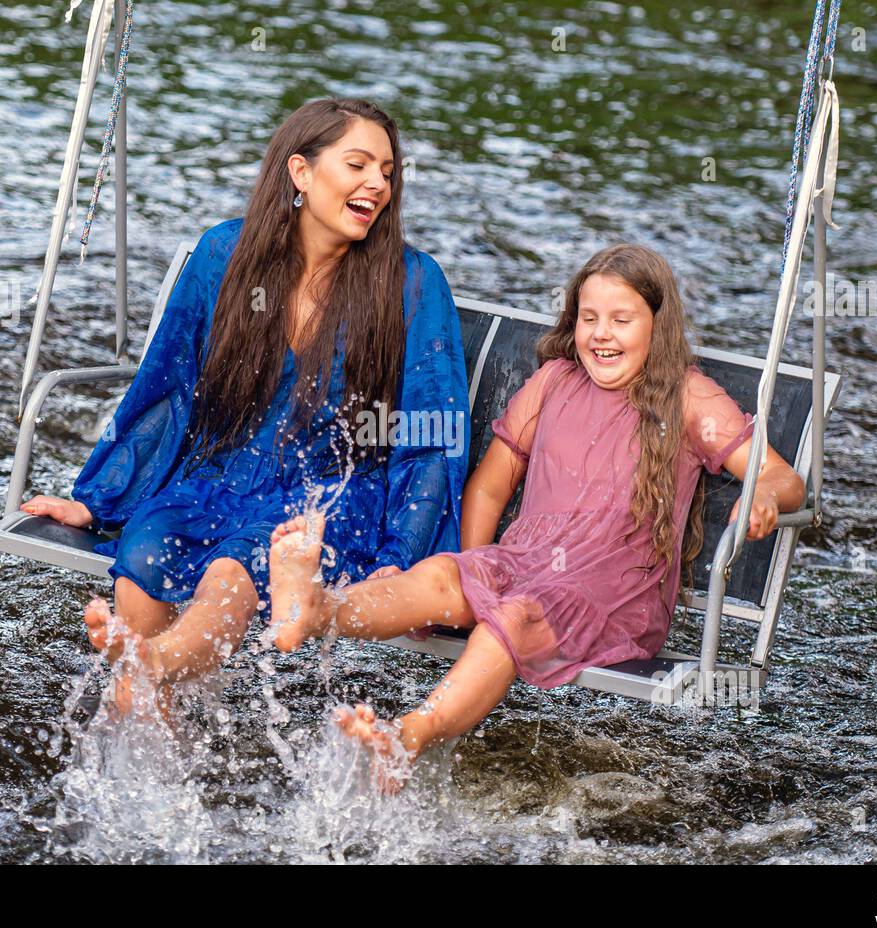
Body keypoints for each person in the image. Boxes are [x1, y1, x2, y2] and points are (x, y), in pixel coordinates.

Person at [266, 243, 806, 791]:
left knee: (518, 613)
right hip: (526, 560)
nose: (601, 334)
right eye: (588, 318)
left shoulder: (686, 398)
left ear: (657, 326)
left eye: (621, 320)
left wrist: (763, 496)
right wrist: (472, 561)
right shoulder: (554, 383)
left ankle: (411, 732)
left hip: (614, 591)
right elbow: (491, 486)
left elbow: (783, 479)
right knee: (440, 576)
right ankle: (314, 610)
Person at [19, 98, 469, 705]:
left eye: (388, 172)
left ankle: (148, 663)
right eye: (359, 164)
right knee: (146, 550)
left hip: (333, 495)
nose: (377, 185)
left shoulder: (412, 282)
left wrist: (404, 553)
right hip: (225, 475)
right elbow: (167, 384)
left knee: (235, 570)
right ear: (301, 172)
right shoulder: (224, 255)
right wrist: (98, 499)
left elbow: (430, 431)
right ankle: (156, 764)